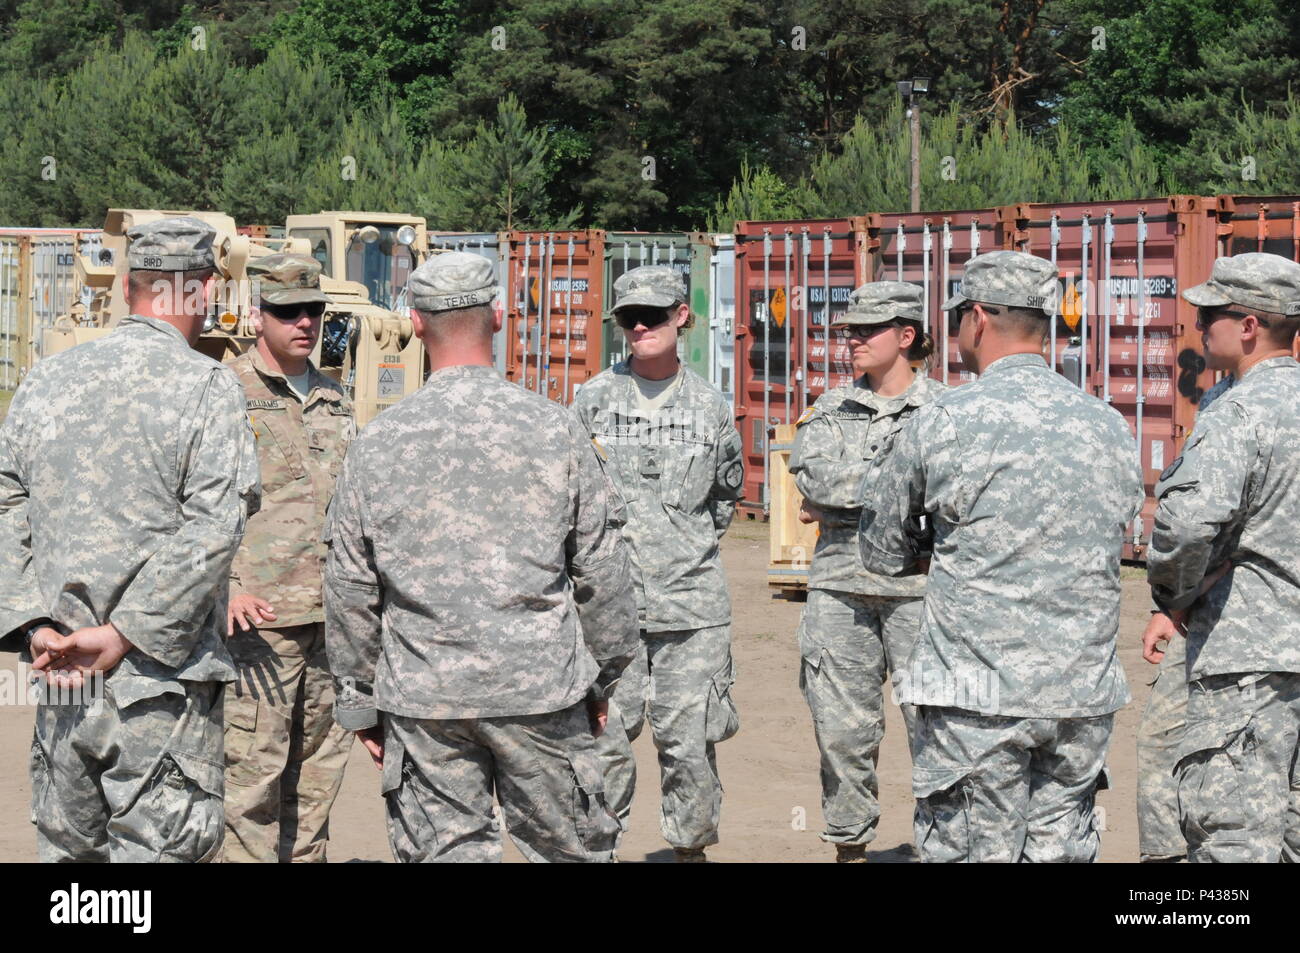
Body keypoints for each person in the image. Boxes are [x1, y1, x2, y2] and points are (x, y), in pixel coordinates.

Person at [323, 251, 637, 863]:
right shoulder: (555, 429)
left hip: (424, 698)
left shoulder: (377, 441)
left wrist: (359, 697)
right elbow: (602, 568)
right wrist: (608, 677)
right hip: (542, 692)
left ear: (415, 323)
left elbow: (349, 585)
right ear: (499, 316)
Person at [859, 250, 1143, 863]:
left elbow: (882, 550)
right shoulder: (1108, 424)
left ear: (979, 319)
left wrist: (941, 549)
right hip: (1078, 694)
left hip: (975, 698)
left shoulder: (945, 419)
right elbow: (1125, 533)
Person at [0, 216, 260, 862]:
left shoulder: (44, 382)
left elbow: (6, 506)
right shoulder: (208, 388)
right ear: (201, 293)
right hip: (161, 700)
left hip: (64, 686)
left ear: (124, 287)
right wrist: (121, 635)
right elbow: (214, 526)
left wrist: (37, 625)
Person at [573, 264, 744, 862]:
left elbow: (723, 500)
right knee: (602, 744)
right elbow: (572, 501)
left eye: (654, 315)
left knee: (690, 745)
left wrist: (677, 550)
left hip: (691, 610)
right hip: (606, 609)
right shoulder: (591, 401)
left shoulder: (711, 407)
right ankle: (599, 852)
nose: (641, 326)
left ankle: (690, 851)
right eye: (629, 318)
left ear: (683, 316)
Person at [1146, 252, 1300, 863]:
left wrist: (1175, 595)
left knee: (1232, 831)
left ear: (1250, 325)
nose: (1198, 325)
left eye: (1210, 313)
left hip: (1249, 654)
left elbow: (1183, 529)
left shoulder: (1238, 412)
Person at [787, 281, 947, 863]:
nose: (851, 340)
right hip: (839, 590)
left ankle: (941, 848)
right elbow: (813, 480)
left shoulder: (946, 410)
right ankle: (849, 850)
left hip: (920, 594)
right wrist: (904, 488)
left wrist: (850, 493)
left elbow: (951, 491)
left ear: (907, 336)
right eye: (848, 330)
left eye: (866, 330)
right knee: (842, 734)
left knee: (935, 730)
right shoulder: (830, 407)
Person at [221, 254, 356, 863]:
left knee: (318, 779)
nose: (303, 322)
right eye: (287, 311)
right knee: (251, 782)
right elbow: (194, 501)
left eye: (314, 311)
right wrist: (222, 586)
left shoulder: (335, 395)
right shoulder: (225, 391)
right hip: (259, 623)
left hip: (331, 619)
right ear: (258, 316)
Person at [1134, 372, 1232, 864]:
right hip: (1206, 612)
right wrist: (1170, 608)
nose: (1207, 325)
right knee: (1160, 745)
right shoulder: (1220, 396)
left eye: (1219, 314)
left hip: (1269, 622)